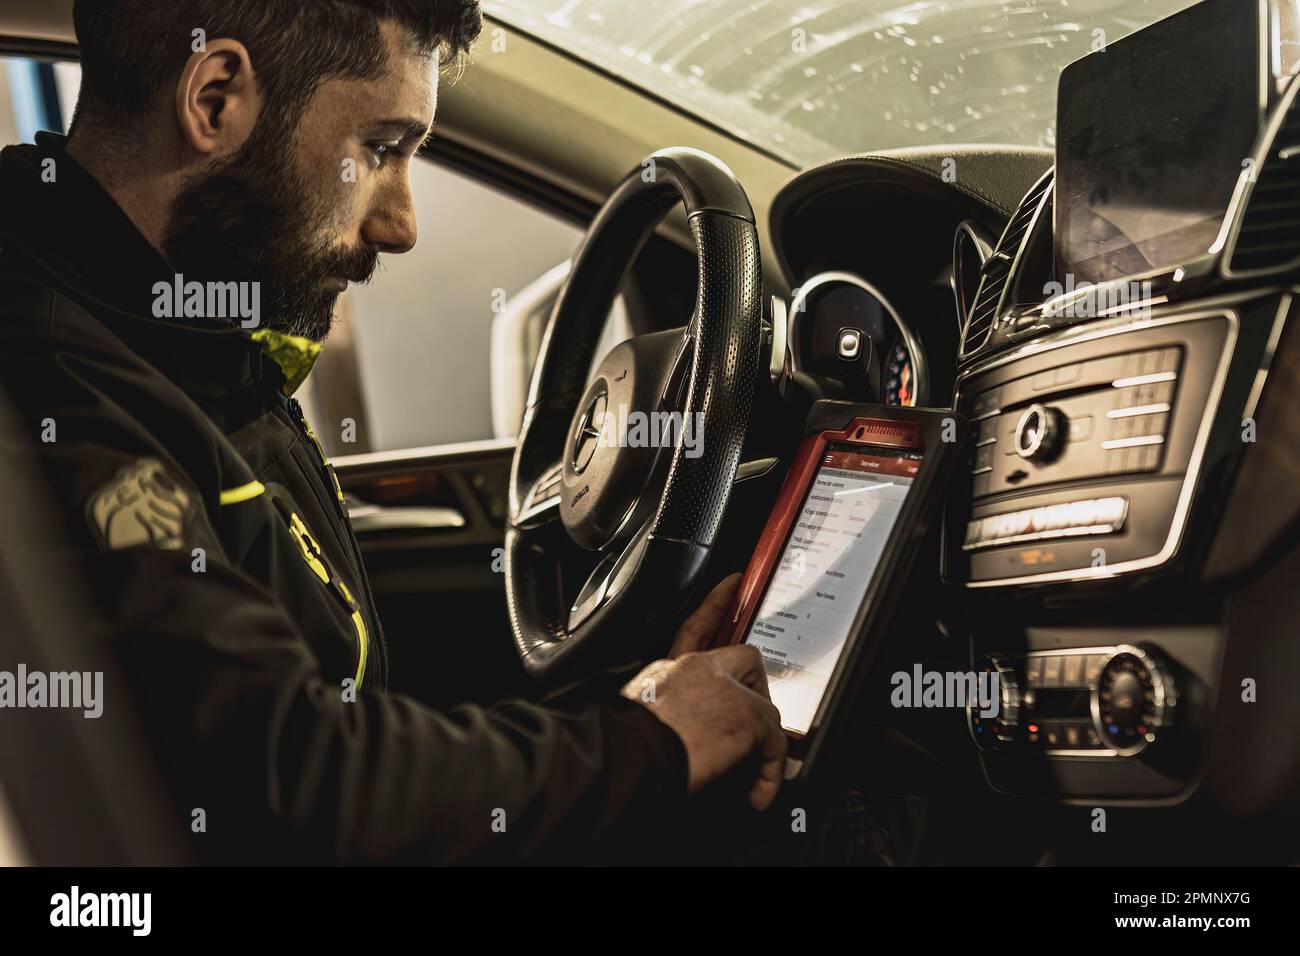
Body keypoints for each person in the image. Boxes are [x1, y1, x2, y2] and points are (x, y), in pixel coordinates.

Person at [0, 0, 785, 863]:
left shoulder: (187, 334)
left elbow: (345, 712)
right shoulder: (51, 384)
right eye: (380, 149)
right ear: (215, 98)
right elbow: (294, 781)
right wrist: (652, 746)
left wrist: (645, 699)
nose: (401, 225)